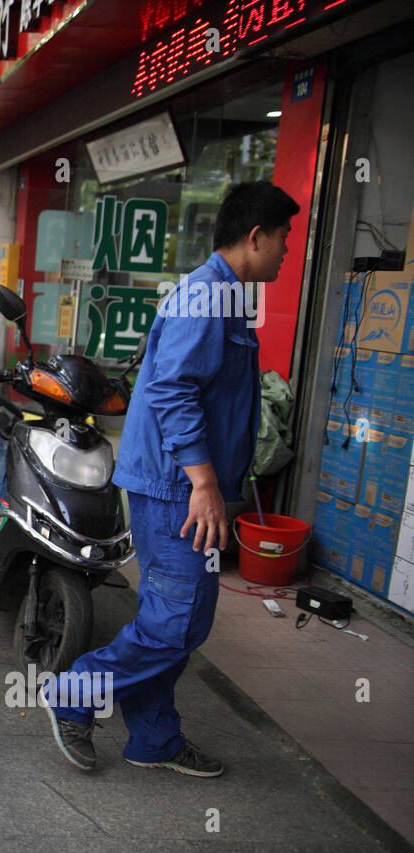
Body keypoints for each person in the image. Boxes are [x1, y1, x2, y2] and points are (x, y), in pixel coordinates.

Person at [39, 181, 300, 777]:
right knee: (180, 619)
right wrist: (205, 484)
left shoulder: (224, 297)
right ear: (255, 237)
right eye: (285, 238)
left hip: (187, 488)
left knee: (172, 615)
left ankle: (154, 739)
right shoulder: (206, 298)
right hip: (176, 490)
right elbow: (172, 388)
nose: (289, 251)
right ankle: (74, 694)